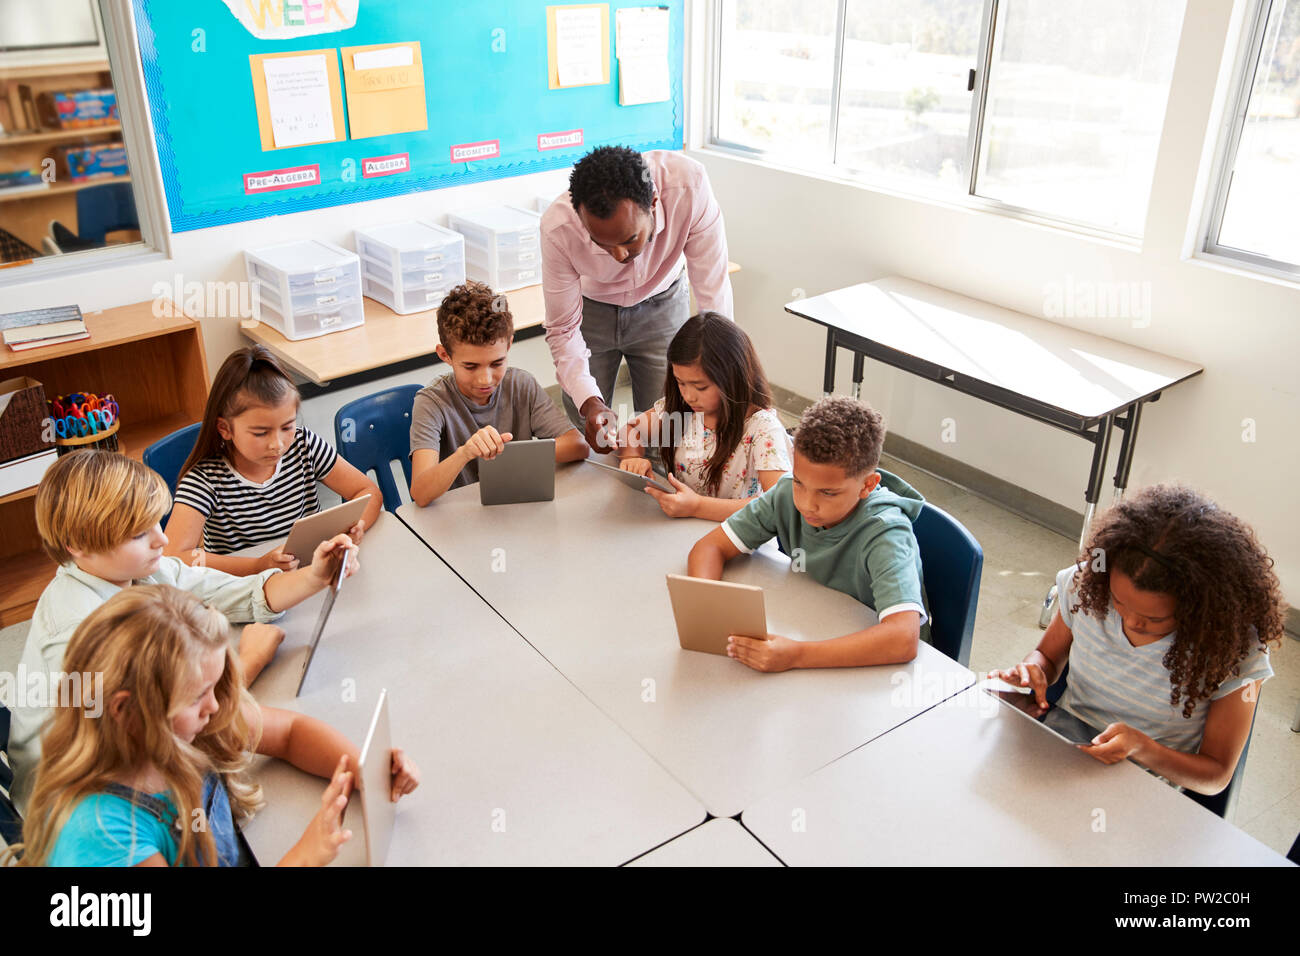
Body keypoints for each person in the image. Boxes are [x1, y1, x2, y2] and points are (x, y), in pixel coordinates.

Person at [7, 450, 359, 810]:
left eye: (156, 522)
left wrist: (315, 575)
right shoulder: (77, 634)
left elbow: (242, 593)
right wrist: (247, 662)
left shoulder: (134, 569)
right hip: (75, 802)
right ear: (77, 546)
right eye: (138, 534)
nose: (161, 540)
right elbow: (160, 731)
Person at [9, 585, 418, 866]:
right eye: (198, 694)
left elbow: (290, 734)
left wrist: (362, 771)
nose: (217, 705)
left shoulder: (186, 725)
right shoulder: (103, 836)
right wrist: (305, 856)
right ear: (125, 711)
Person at [989, 484, 1281, 795]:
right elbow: (1046, 658)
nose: (1130, 621)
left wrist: (1142, 748)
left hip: (1145, 788)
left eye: (1155, 619)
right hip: (1060, 748)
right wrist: (1033, 671)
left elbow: (1216, 775)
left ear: (1198, 606)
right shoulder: (1087, 585)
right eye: (1118, 601)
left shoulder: (1233, 650)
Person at [687, 396, 929, 671]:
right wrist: (708, 604)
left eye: (828, 493)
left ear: (868, 485)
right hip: (817, 627)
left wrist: (796, 656)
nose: (806, 504)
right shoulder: (785, 493)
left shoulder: (886, 533)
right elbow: (710, 547)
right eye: (800, 483)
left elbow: (902, 639)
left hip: (880, 666)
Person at [541, 145, 733, 452]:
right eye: (602, 243)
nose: (619, 256)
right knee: (590, 439)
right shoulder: (559, 227)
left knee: (668, 431)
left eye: (629, 240)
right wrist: (590, 404)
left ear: (654, 203)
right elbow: (562, 330)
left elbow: (712, 288)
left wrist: (722, 363)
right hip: (591, 314)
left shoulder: (689, 186)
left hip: (664, 303)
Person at [165, 345, 381, 574]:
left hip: (308, 576)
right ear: (225, 428)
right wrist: (258, 565)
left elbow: (368, 490)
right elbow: (173, 557)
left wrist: (356, 528)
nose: (277, 444)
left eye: (287, 426)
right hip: (246, 589)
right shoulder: (206, 479)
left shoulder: (303, 444)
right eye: (260, 433)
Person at [409, 280, 588, 505]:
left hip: (515, 507)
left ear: (509, 344)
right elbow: (421, 493)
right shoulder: (431, 402)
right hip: (460, 517)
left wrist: (509, 456)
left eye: (497, 363)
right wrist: (466, 452)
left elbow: (578, 445)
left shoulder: (522, 385)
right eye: (470, 366)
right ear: (445, 355)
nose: (485, 379)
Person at [615, 312, 791, 519]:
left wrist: (698, 506)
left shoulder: (762, 428)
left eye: (701, 387)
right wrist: (632, 457)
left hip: (736, 535)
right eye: (681, 383)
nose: (689, 396)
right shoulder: (681, 410)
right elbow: (631, 429)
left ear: (732, 379)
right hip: (683, 525)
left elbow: (779, 505)